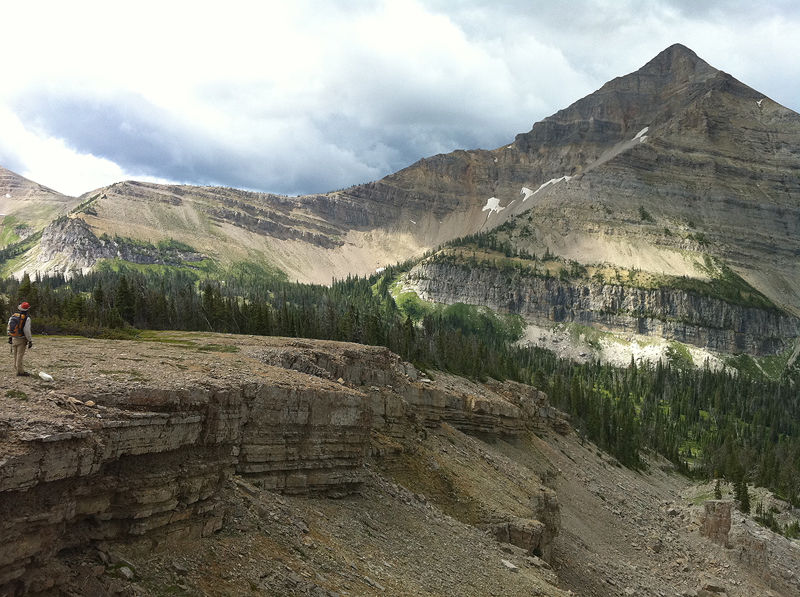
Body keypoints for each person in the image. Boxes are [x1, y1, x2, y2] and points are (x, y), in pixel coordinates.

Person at [8, 302, 33, 377]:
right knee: (20, 355)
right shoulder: (26, 318)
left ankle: (16, 368)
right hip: (21, 339)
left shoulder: (13, 316)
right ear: (27, 309)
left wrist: (10, 336)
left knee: (15, 354)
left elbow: (9, 327)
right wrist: (30, 340)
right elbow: (27, 331)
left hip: (13, 338)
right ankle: (20, 371)